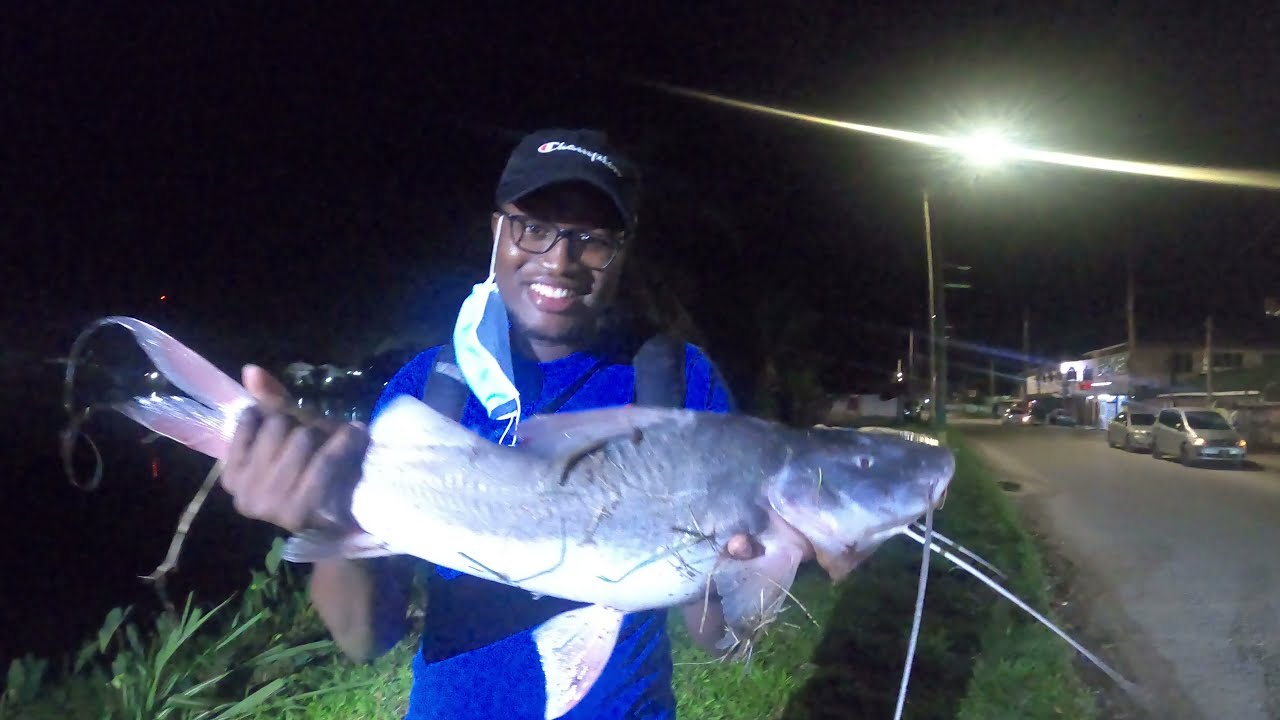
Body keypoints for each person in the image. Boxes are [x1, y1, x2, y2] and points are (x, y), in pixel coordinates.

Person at [218, 128, 755, 719]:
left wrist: (750, 565)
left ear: (623, 252)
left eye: (592, 239)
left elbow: (720, 638)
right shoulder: (426, 393)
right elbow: (364, 638)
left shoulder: (678, 384)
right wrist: (322, 514)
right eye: (534, 227)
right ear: (497, 230)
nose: (560, 259)